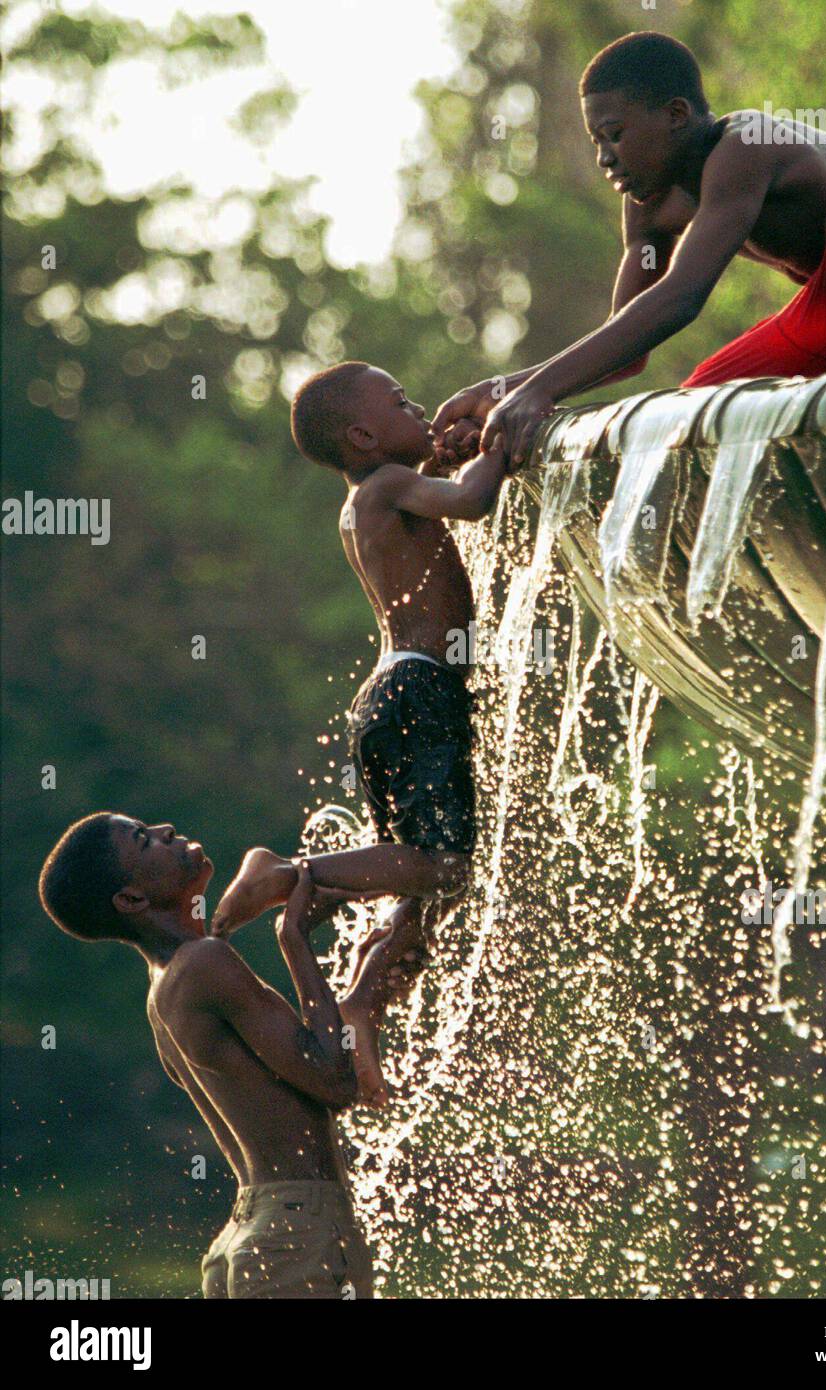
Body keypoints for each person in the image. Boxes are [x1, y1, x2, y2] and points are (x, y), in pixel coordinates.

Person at [433, 30, 826, 468]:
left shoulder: (746, 143)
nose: (605, 158)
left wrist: (536, 391)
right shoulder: (649, 207)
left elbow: (683, 297)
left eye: (615, 134)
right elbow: (629, 346)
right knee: (693, 415)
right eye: (596, 142)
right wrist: (502, 390)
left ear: (676, 115)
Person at [209, 361, 509, 1105]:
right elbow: (473, 500)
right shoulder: (385, 486)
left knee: (417, 882)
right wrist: (505, 434)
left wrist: (441, 454)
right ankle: (283, 874)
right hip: (420, 694)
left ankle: (362, 1006)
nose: (421, 406)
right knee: (446, 866)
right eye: (404, 402)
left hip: (397, 695)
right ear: (365, 434)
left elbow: (440, 496)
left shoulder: (368, 497)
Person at [38, 813, 374, 1298]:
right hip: (294, 1234)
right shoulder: (204, 963)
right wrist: (294, 937)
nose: (166, 830)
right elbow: (335, 1081)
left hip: (257, 1231)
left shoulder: (164, 990)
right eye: (143, 839)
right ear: (131, 899)